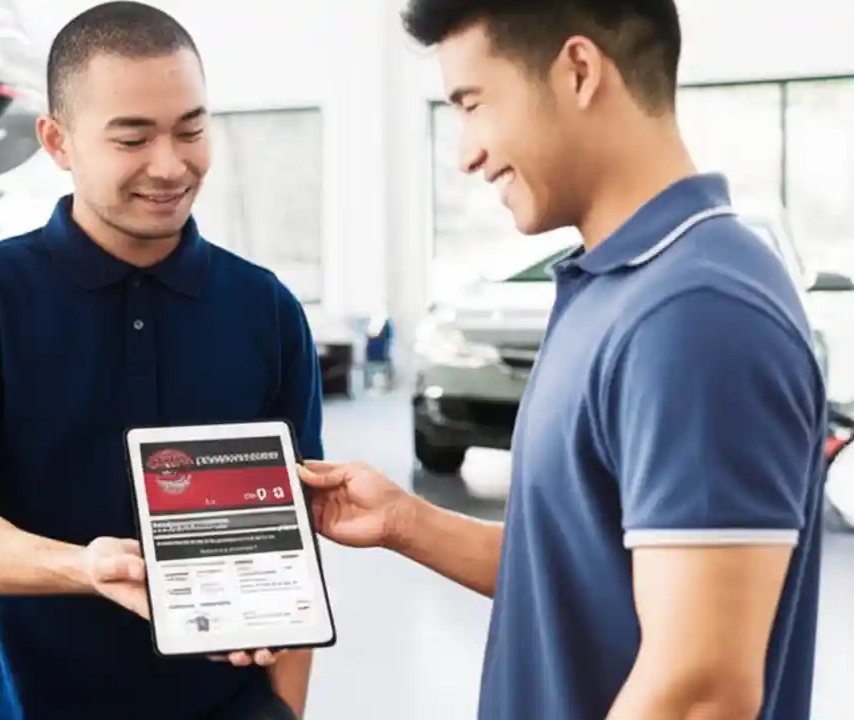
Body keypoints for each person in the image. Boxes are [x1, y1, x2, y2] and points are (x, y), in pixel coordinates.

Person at [299, 1, 829, 719]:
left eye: (473, 104)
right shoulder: (618, 285)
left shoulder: (697, 312)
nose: (466, 154)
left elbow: (700, 689)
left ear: (579, 71)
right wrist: (406, 522)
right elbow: (583, 572)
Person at [0, 2, 322, 719]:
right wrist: (84, 568)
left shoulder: (266, 309)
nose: (170, 165)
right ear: (57, 142)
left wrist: (284, 713)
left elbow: (293, 537)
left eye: (191, 130)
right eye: (132, 139)